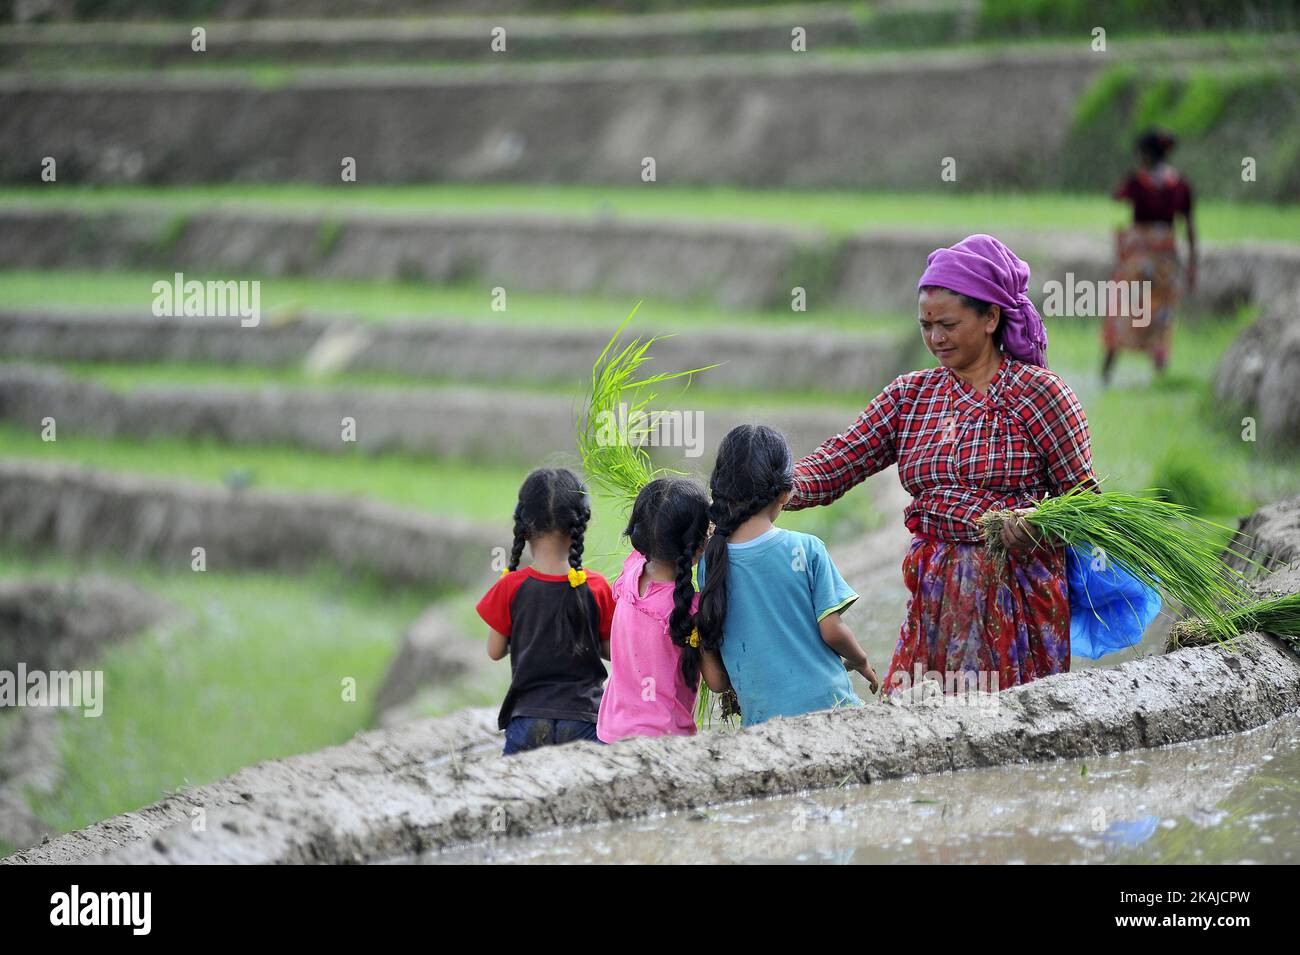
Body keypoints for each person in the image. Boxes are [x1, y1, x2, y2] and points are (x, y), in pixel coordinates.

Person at [783, 234, 1098, 694]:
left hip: (1018, 600)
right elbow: (840, 459)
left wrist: (1035, 521)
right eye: (926, 326)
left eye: (948, 324)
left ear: (991, 317)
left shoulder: (1041, 394)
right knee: (917, 724)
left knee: (1011, 729)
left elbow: (1085, 503)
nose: (935, 338)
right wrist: (771, 490)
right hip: (935, 602)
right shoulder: (912, 395)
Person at [695, 424, 879, 726]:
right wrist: (860, 659)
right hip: (830, 712)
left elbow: (720, 674)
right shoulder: (807, 549)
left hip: (763, 725)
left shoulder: (711, 563)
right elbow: (832, 630)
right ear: (785, 492)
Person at [476, 467, 615, 755]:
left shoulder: (510, 587)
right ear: (582, 524)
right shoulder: (597, 587)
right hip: (585, 720)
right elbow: (611, 651)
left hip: (526, 718)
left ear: (523, 526)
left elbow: (494, 650)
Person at [596, 477, 711, 743]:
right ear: (700, 544)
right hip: (665, 741)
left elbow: (659, 527)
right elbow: (716, 682)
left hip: (611, 734)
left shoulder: (629, 575)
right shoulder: (693, 609)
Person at [1101, 128, 1196, 383]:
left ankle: (1106, 372)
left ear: (1145, 153)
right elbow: (1189, 228)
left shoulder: (1136, 182)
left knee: (1122, 313)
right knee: (1160, 316)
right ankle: (1160, 375)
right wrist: (1192, 266)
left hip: (1138, 260)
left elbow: (1115, 194)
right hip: (1166, 261)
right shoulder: (1180, 184)